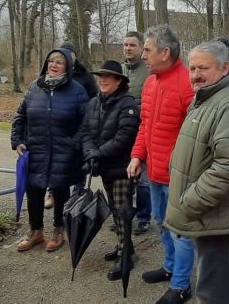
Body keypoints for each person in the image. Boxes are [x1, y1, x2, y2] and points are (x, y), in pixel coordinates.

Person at [164, 41, 229, 304]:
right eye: (192, 67)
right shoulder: (206, 99)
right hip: (210, 210)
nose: (195, 74)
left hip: (217, 211)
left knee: (213, 285)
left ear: (224, 68)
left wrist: (191, 200)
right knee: (213, 276)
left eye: (203, 68)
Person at [126, 25, 195, 304]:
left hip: (178, 176)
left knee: (180, 231)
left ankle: (181, 285)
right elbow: (145, 125)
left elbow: (197, 135)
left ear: (165, 52)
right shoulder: (151, 82)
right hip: (153, 171)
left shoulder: (188, 82)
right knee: (161, 223)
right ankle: (170, 268)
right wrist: (136, 156)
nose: (143, 55)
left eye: (148, 50)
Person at [11, 48, 89, 253]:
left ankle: (58, 230)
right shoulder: (34, 87)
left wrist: (74, 143)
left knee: (60, 190)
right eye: (51, 61)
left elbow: (86, 122)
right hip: (35, 149)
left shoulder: (77, 90)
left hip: (64, 150)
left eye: (59, 62)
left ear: (68, 67)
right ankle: (35, 232)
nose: (53, 65)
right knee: (34, 191)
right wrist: (17, 140)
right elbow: (20, 116)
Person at [79, 60, 140, 281]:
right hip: (104, 166)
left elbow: (125, 137)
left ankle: (126, 257)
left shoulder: (128, 104)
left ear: (119, 81)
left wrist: (98, 153)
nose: (102, 80)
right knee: (115, 210)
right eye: (100, 76)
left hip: (123, 168)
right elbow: (85, 131)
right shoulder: (94, 102)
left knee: (123, 212)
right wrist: (90, 152)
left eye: (108, 77)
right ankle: (126, 246)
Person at [42, 42, 96, 208]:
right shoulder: (49, 76)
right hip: (59, 125)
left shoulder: (85, 76)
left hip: (77, 123)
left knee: (78, 165)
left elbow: (93, 97)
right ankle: (52, 191)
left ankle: (78, 196)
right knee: (56, 165)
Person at [122, 30, 152, 235]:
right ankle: (124, 216)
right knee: (123, 179)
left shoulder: (149, 72)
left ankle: (144, 217)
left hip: (143, 132)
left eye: (132, 45)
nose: (128, 48)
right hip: (123, 133)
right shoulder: (120, 71)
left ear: (141, 48)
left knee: (143, 180)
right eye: (125, 44)